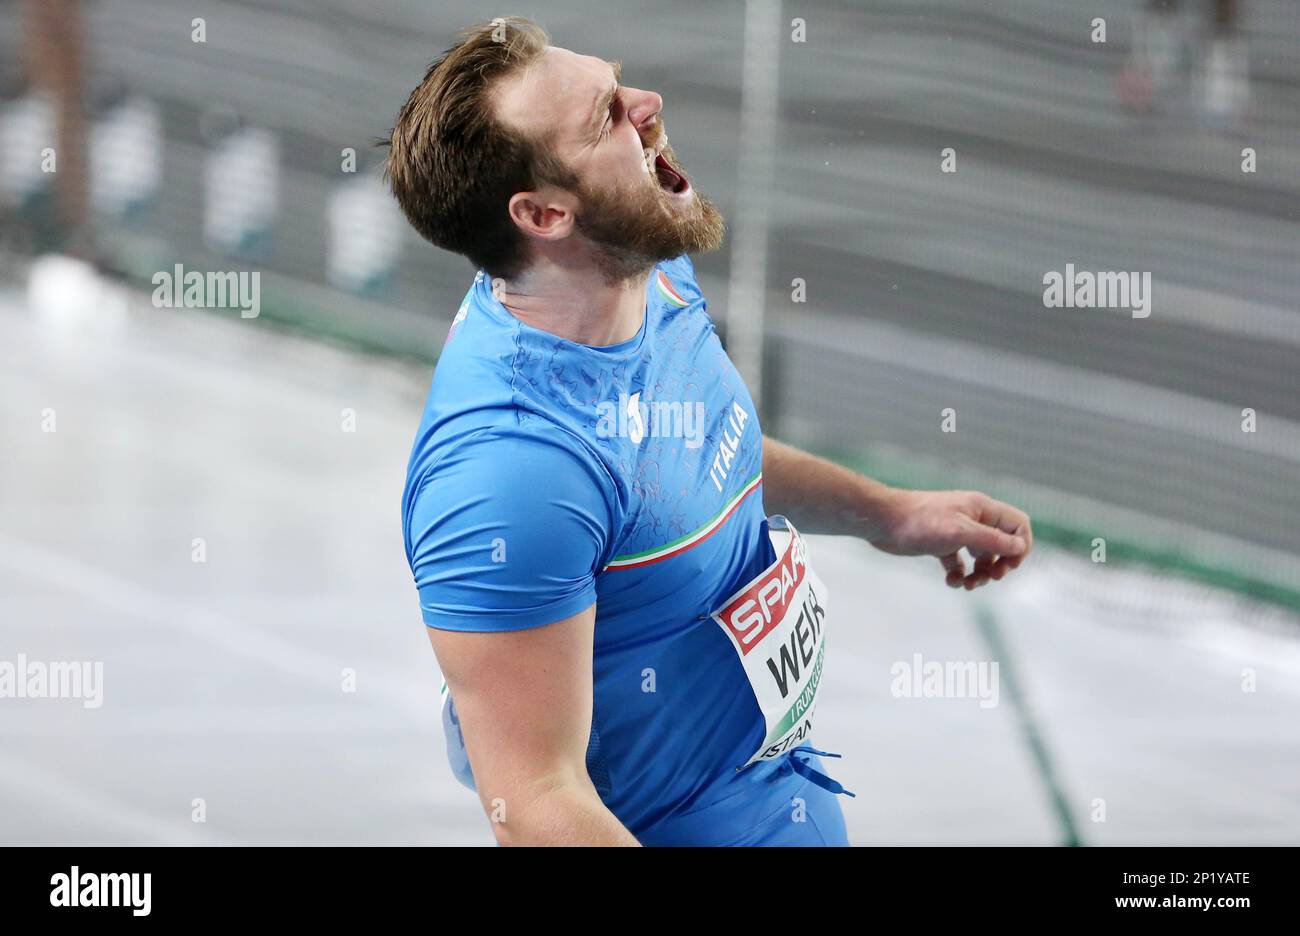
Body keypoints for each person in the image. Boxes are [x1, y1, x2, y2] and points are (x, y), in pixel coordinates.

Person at [385, 17, 1032, 846]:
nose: (647, 104)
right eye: (606, 118)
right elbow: (536, 800)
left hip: (781, 797)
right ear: (545, 214)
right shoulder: (511, 477)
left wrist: (885, 512)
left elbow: (691, 456)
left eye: (618, 80)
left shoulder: (646, 270)